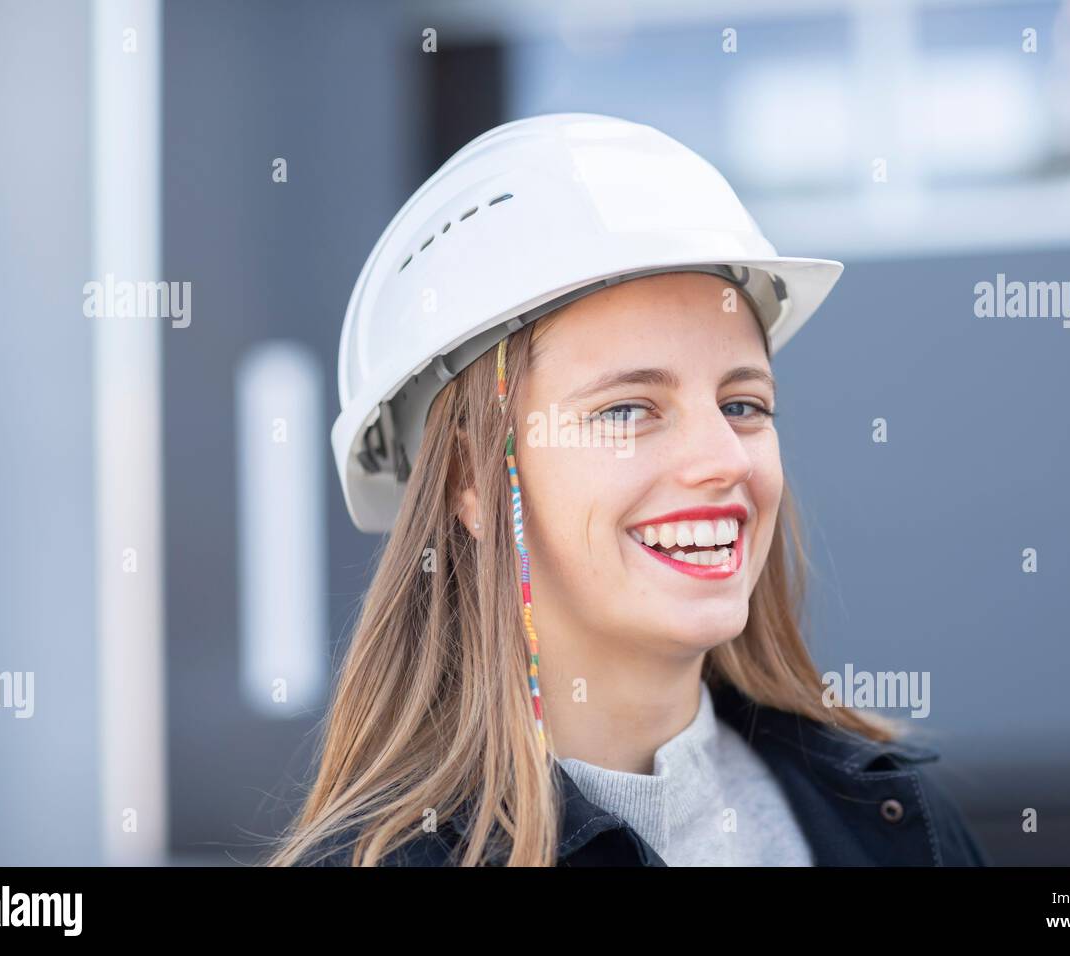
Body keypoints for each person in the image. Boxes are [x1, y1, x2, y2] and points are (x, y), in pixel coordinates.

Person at [265, 113, 990, 867]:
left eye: (742, 405)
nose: (723, 460)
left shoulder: (893, 822)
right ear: (468, 479)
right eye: (627, 409)